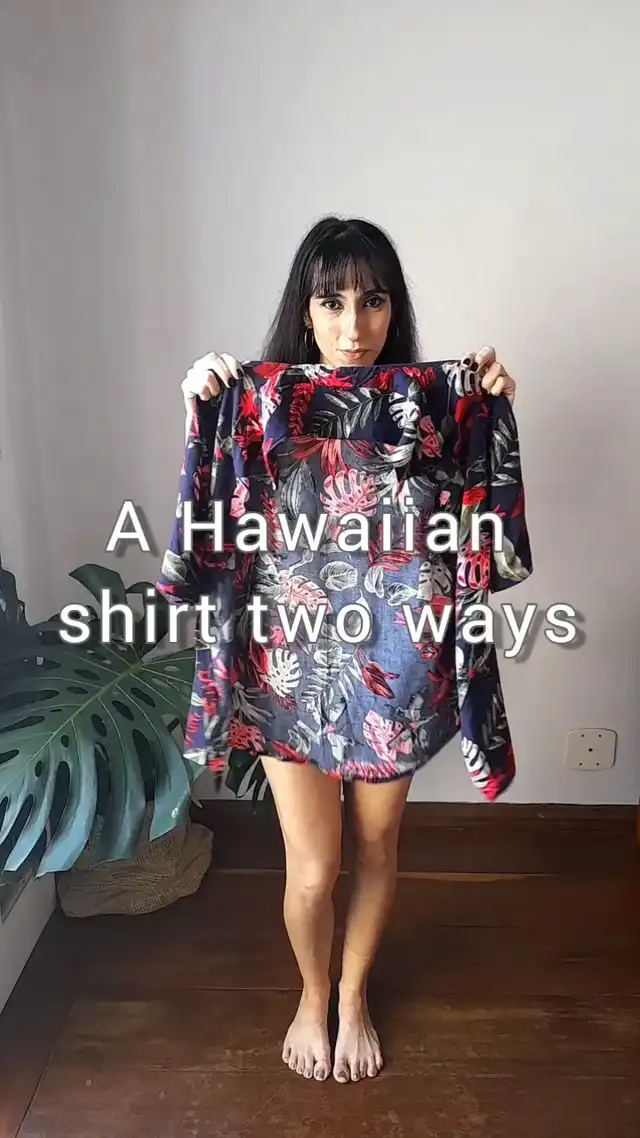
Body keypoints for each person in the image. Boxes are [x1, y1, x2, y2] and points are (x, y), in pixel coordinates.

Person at [178, 216, 517, 1084]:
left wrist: (490, 408)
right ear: (305, 312)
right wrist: (202, 407)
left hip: (394, 666)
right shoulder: (255, 404)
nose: (354, 325)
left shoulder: (432, 411)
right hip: (285, 665)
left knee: (376, 848)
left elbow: (481, 514)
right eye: (332, 302)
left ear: (392, 310)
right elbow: (211, 519)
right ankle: (312, 992)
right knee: (313, 869)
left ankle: (355, 994)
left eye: (373, 301)